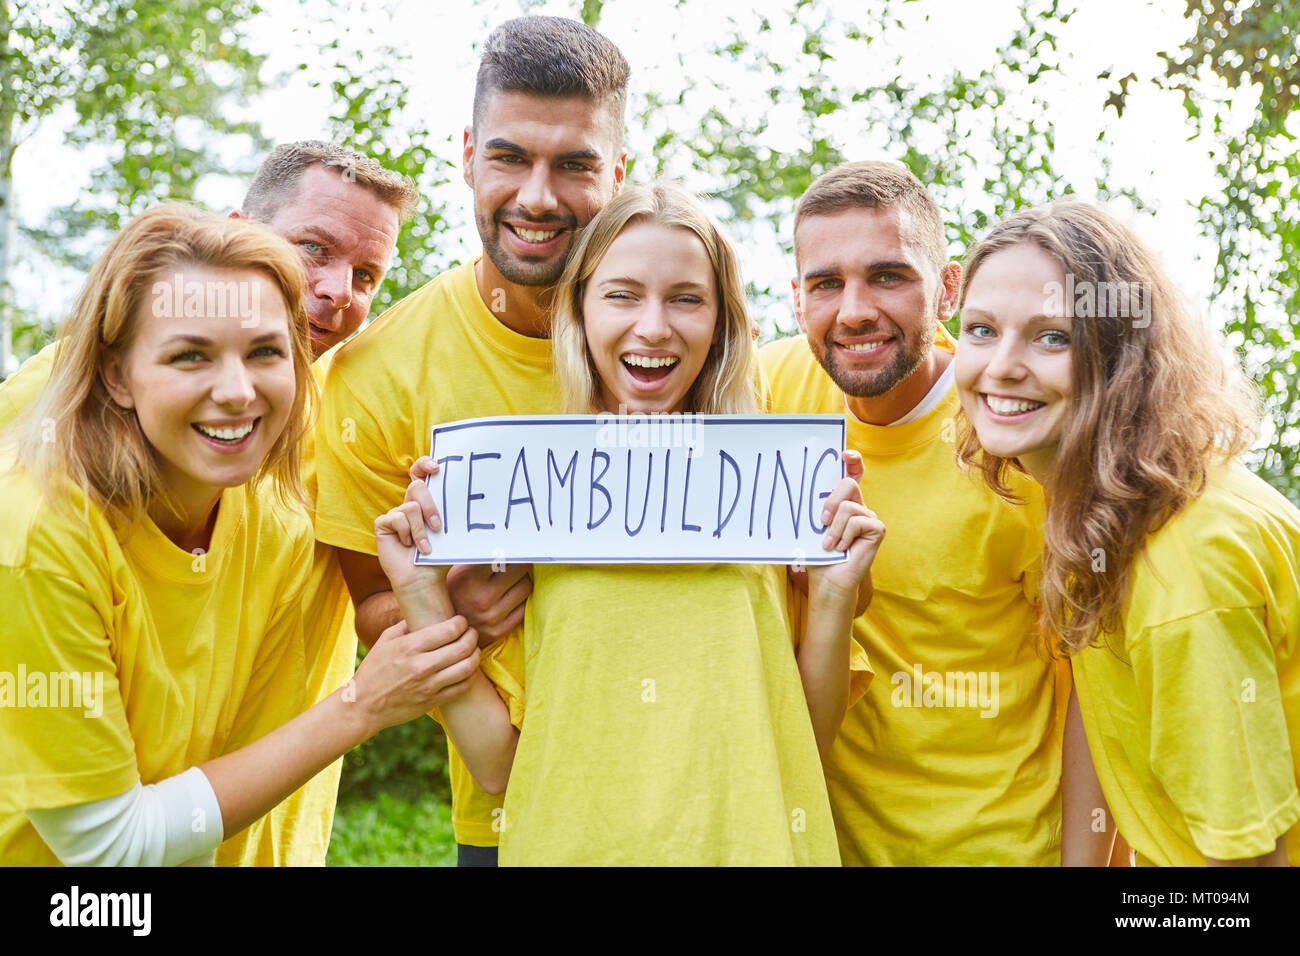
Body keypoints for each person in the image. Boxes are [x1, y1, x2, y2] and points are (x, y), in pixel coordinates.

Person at [374, 182, 883, 865]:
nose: (653, 327)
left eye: (686, 298)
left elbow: (807, 740)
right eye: (622, 294)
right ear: (580, 313)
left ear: (720, 322)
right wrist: (418, 592)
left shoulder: (779, 494)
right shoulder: (523, 492)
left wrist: (834, 594)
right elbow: (496, 763)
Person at [0, 204, 474, 866]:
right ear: (116, 375)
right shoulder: (35, 543)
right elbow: (107, 843)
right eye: (190, 355)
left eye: (264, 352)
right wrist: (362, 705)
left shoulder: (275, 501)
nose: (237, 391)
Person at [313, 15, 630, 866]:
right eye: (509, 157)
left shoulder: (680, 338)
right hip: (504, 812)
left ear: (618, 173)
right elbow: (358, 609)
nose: (537, 196)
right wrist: (447, 604)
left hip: (698, 784)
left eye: (574, 164)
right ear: (466, 154)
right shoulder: (377, 372)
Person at [952, 199, 1299, 866]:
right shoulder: (1108, 495)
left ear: (1123, 357)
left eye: (1052, 337)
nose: (1002, 366)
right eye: (981, 330)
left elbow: (1249, 864)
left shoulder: (1186, 571)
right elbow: (1102, 690)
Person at [759, 160, 1064, 865]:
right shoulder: (768, 389)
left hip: (996, 849)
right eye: (826, 283)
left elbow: (1092, 695)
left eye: (889, 276)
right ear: (798, 300)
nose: (855, 308)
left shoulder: (1016, 444)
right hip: (825, 848)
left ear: (948, 288)